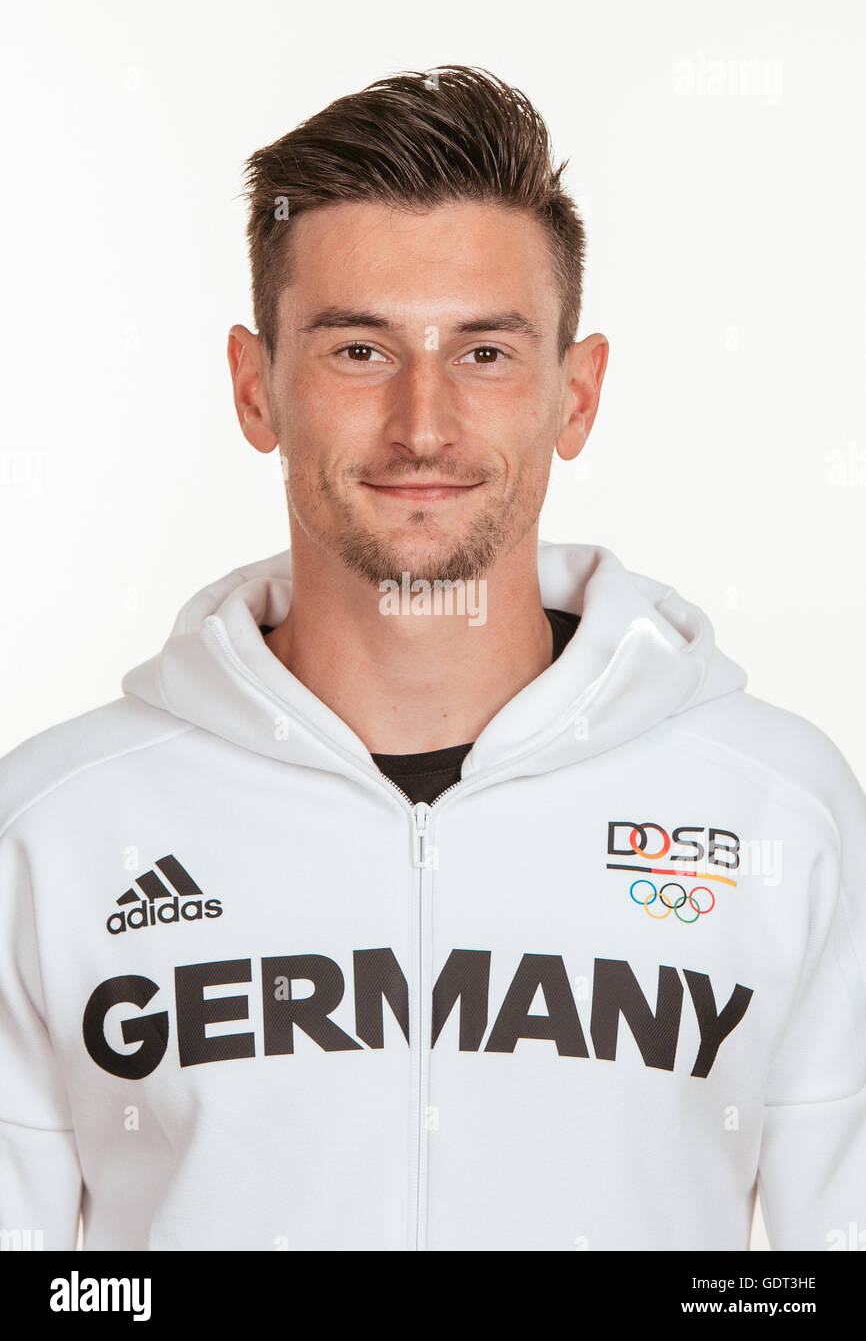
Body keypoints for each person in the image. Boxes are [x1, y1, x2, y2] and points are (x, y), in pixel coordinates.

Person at [1, 65, 864, 1253]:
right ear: (256, 390)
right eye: (358, 351)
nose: (422, 423)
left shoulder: (777, 807)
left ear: (576, 391)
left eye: (485, 353)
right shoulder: (55, 828)